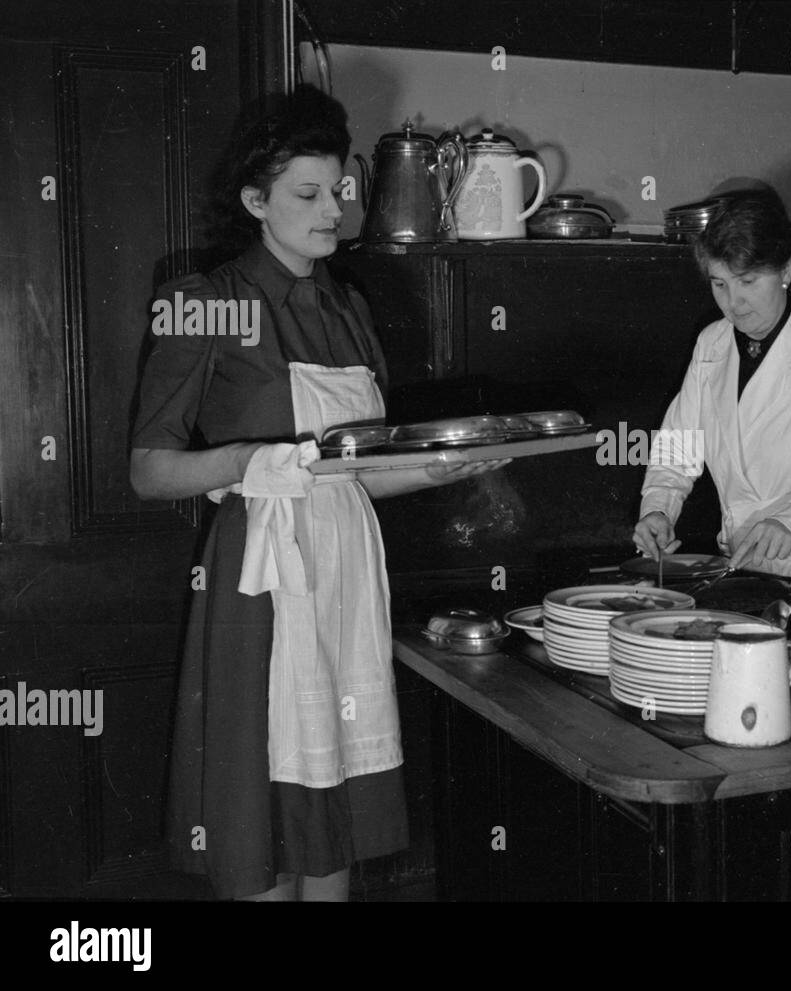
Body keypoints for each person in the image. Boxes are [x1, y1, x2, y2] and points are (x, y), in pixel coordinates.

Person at [130, 86, 508, 901]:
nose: (333, 209)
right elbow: (149, 468)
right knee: (264, 804)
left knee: (332, 796)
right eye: (308, 193)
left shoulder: (350, 307)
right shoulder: (206, 303)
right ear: (254, 200)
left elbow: (355, 469)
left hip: (347, 567)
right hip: (262, 581)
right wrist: (244, 463)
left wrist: (444, 467)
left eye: (339, 189)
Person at [632, 190, 791, 582]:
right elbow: (678, 450)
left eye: (747, 281)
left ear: (785, 271)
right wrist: (658, 510)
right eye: (720, 284)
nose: (734, 303)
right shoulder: (712, 343)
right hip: (742, 564)